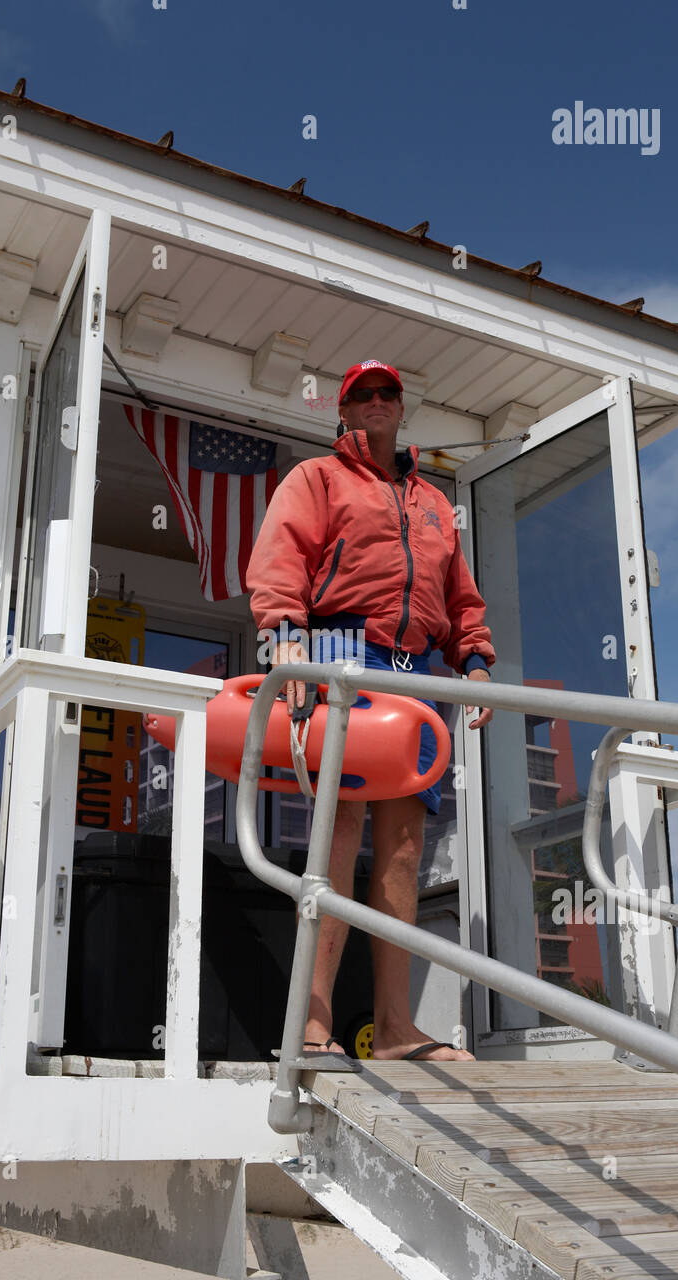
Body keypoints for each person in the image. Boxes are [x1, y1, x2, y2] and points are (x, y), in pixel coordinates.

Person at [246, 360, 495, 1062]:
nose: (379, 401)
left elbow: (460, 597)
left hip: (417, 674)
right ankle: (313, 1023)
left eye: (390, 392)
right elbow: (280, 560)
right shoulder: (316, 479)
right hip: (343, 654)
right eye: (364, 394)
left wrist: (474, 658)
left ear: (400, 407)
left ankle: (393, 1029)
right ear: (344, 411)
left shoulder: (436, 503)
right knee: (337, 832)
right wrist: (286, 640)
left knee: (405, 850)